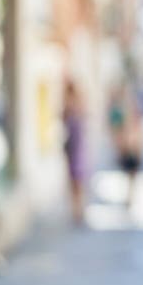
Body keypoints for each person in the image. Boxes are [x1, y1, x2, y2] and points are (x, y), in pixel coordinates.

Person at [108, 83, 143, 209]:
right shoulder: (118, 110)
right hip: (126, 147)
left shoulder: (133, 110)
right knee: (129, 172)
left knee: (132, 173)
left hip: (132, 146)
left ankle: (130, 196)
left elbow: (139, 129)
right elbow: (115, 129)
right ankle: (128, 196)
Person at [62, 79, 87, 223]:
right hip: (71, 149)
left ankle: (79, 209)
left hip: (77, 149)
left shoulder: (77, 108)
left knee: (78, 181)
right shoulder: (67, 109)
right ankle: (76, 209)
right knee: (73, 181)